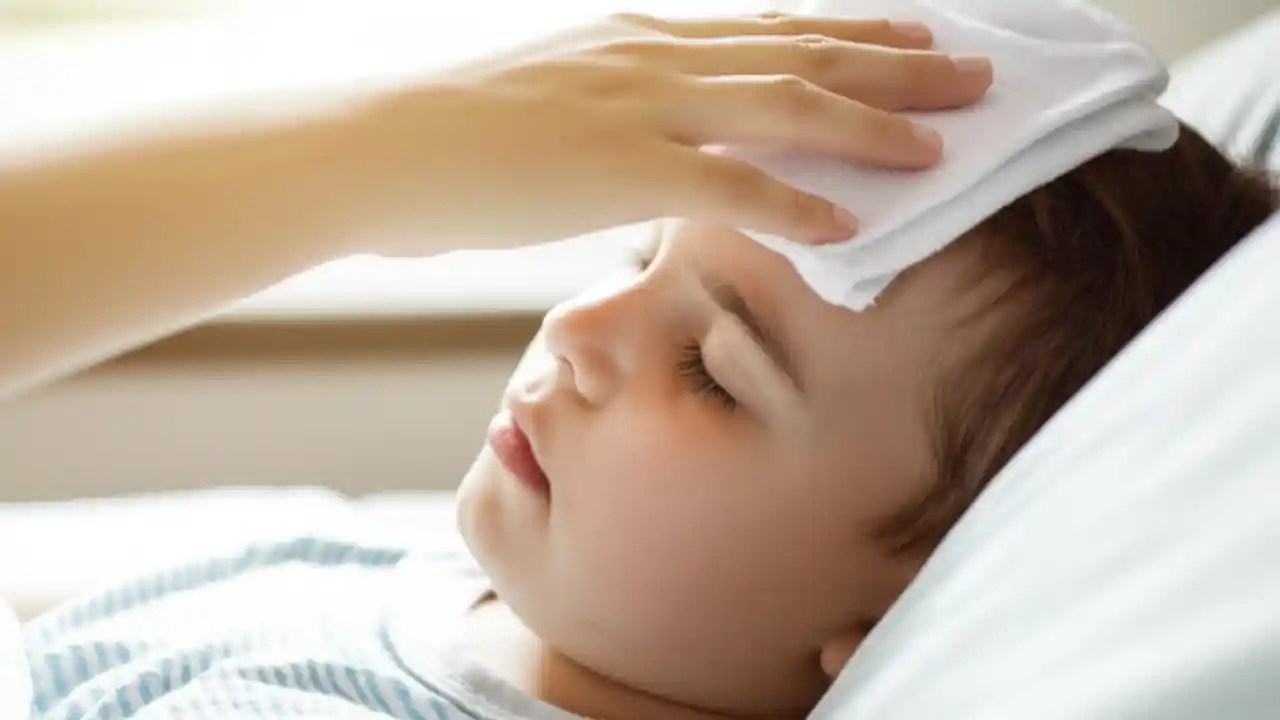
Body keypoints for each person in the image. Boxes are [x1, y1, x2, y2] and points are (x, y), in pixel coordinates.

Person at [9, 9, 1277, 720]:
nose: (578, 330)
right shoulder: (440, 586)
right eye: (632, 257)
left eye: (712, 370)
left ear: (898, 612)